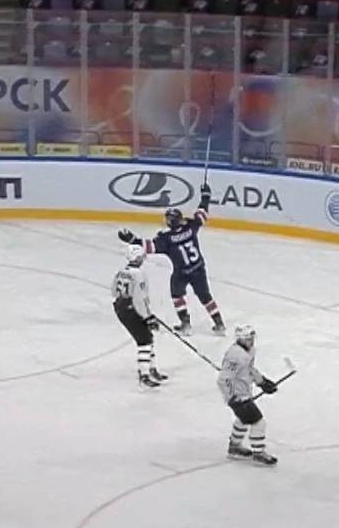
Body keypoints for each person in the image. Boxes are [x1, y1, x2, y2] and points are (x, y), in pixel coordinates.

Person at [119, 184, 225, 334]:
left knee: (176, 295)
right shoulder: (190, 226)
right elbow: (202, 214)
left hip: (181, 272)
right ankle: (220, 324)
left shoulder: (166, 238)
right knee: (205, 296)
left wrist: (132, 239)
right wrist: (206, 196)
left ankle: (185, 325)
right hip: (198, 268)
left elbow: (149, 247)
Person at [218, 325, 278, 466]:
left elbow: (249, 369)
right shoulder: (234, 355)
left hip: (244, 392)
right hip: (237, 396)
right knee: (258, 422)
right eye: (248, 339)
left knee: (244, 419)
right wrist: (232, 397)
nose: (251, 341)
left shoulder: (249, 351)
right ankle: (259, 452)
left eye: (252, 338)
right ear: (241, 339)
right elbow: (223, 379)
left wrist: (262, 382)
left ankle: (234, 447)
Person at [113, 243, 169, 387]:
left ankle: (151, 368)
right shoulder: (139, 274)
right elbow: (140, 298)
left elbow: (114, 291)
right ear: (137, 258)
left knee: (148, 337)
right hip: (133, 310)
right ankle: (144, 374)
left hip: (121, 308)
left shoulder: (121, 272)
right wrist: (148, 317)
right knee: (144, 341)